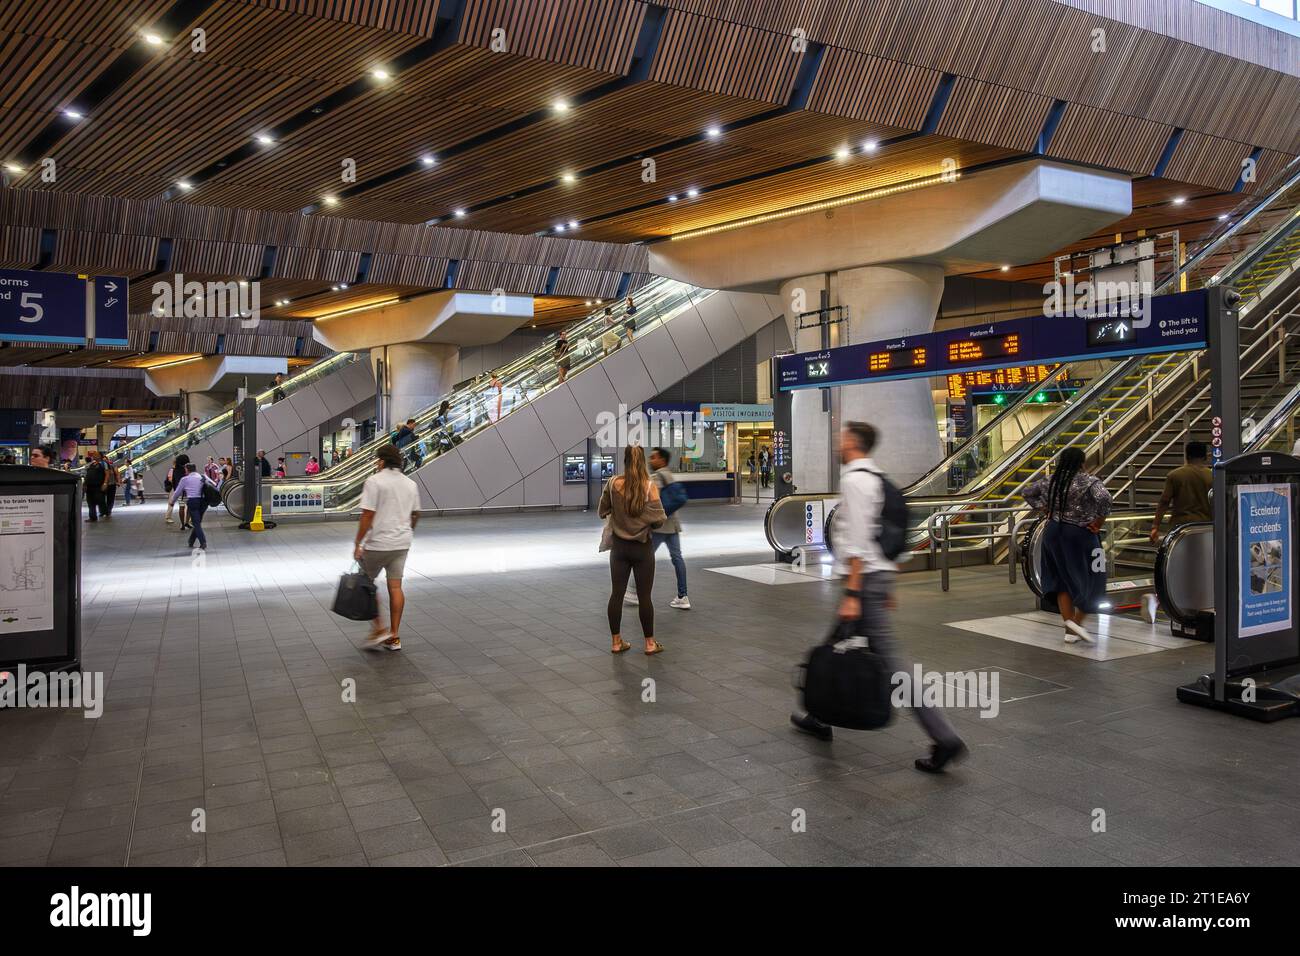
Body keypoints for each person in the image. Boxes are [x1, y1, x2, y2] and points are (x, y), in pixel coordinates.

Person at [790, 421, 968, 774]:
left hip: (863, 583)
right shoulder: (880, 479)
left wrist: (854, 593)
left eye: (842, 440)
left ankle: (945, 737)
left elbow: (858, 542)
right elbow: (889, 535)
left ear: (854, 443)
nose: (838, 446)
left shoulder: (855, 481)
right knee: (832, 644)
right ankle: (818, 714)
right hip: (876, 578)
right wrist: (887, 584)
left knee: (893, 664)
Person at [1022, 446, 1112, 643]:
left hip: (1053, 531)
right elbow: (1105, 497)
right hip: (1080, 534)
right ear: (1082, 462)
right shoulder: (1089, 480)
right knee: (1093, 578)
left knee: (1061, 579)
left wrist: (1043, 508)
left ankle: (1069, 628)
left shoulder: (1049, 480)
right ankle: (1077, 624)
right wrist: (1098, 522)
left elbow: (1027, 492)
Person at [600, 445, 667, 655]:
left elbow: (603, 510)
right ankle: (649, 644)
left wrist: (621, 515)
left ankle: (616, 642)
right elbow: (658, 520)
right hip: (642, 549)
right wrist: (642, 520)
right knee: (645, 597)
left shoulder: (612, 483)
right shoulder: (649, 487)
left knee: (616, 594)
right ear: (641, 461)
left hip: (619, 549)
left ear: (626, 460)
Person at [353, 444, 421, 651]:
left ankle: (379, 628)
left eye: (377, 460)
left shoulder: (374, 481)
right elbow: (416, 514)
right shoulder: (410, 484)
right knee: (395, 587)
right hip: (402, 543)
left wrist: (358, 543)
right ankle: (394, 636)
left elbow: (367, 515)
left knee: (365, 583)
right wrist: (407, 531)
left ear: (382, 460)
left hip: (378, 544)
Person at [1144, 441, 1212, 622]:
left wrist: (1155, 526)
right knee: (1202, 570)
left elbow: (1164, 501)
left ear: (1186, 455)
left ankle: (1160, 601)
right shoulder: (1212, 476)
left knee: (1173, 571)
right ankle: (1197, 606)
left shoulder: (1175, 475)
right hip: (1206, 531)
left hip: (1180, 532)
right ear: (1205, 456)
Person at [629, 447, 689, 609]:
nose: (650, 460)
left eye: (654, 457)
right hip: (673, 525)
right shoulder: (669, 475)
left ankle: (634, 592)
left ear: (662, 460)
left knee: (642, 558)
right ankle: (683, 596)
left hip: (658, 526)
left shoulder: (656, 477)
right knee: (677, 559)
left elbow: (652, 501)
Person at [169, 462, 210, 550]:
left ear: (187, 469)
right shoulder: (202, 477)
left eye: (185, 469)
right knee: (197, 522)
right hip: (203, 502)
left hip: (193, 501)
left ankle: (203, 542)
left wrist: (172, 502)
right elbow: (213, 485)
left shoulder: (185, 479)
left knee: (196, 523)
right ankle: (191, 541)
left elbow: (177, 492)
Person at [166, 452, 191, 526]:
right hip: (189, 491)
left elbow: (173, 481)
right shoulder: (187, 469)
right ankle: (187, 522)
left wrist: (176, 489)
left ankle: (182, 524)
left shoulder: (175, 470)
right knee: (189, 507)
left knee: (181, 507)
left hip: (180, 492)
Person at [83, 451, 106, 523]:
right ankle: (92, 517)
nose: (94, 456)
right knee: (90, 502)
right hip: (90, 486)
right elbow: (88, 474)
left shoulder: (103, 464)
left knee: (100, 500)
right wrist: (85, 484)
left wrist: (105, 483)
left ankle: (104, 512)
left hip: (98, 486)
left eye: (95, 455)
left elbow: (107, 474)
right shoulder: (92, 464)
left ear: (100, 456)